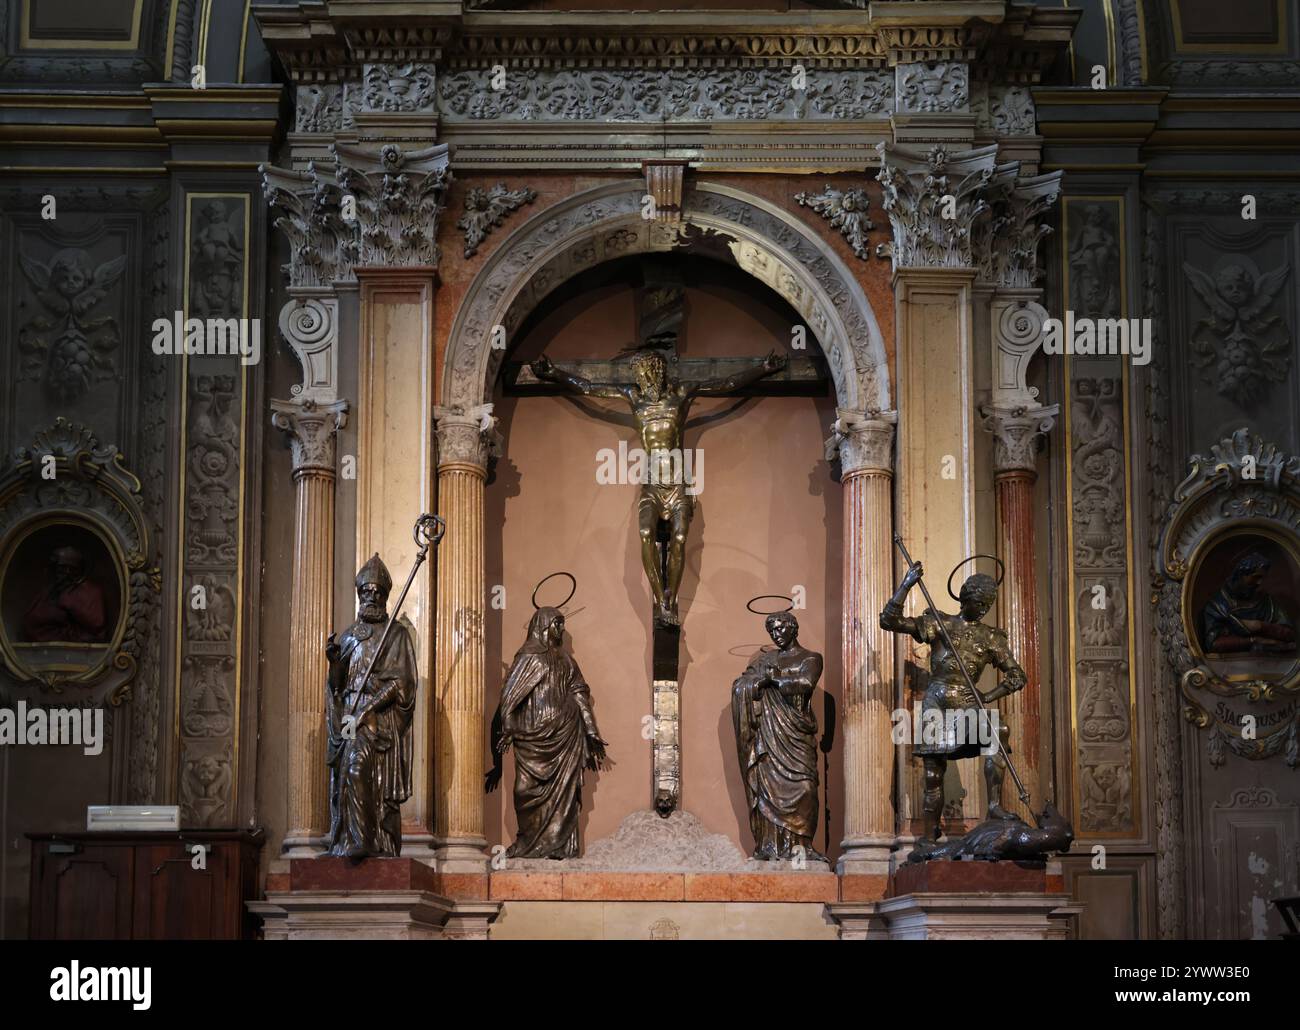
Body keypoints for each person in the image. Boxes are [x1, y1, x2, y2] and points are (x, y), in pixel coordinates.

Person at [531, 347, 785, 625]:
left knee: (678, 539)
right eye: (639, 374)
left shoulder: (680, 395)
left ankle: (669, 600)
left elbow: (726, 384)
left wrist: (763, 368)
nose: (644, 379)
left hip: (678, 481)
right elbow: (590, 387)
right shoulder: (633, 397)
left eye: (648, 372)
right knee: (644, 532)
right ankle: (661, 599)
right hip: (652, 482)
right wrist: (554, 373)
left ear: (659, 372)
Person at [880, 562, 1026, 857]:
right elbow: (889, 621)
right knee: (933, 774)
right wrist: (907, 584)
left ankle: (994, 806)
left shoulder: (990, 637)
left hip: (968, 702)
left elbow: (1017, 675)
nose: (983, 609)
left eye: (987, 604)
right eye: (978, 602)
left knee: (997, 732)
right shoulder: (940, 622)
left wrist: (988, 695)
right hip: (936, 701)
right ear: (964, 598)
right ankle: (930, 834)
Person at [489, 607, 607, 859]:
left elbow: (579, 692)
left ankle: (559, 846)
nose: (561, 629)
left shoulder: (566, 660)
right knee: (523, 790)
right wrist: (508, 727)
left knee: (565, 793)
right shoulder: (528, 656)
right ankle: (528, 842)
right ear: (543, 626)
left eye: (562, 624)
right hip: (532, 737)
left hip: (566, 735)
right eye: (557, 623)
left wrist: (591, 730)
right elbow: (509, 697)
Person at [324, 553, 417, 858]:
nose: (372, 596)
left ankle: (365, 840)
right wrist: (335, 662)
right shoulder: (351, 634)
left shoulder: (397, 635)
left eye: (378, 591)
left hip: (378, 721)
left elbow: (402, 684)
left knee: (357, 767)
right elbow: (337, 687)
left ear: (386, 595)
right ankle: (346, 839)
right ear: (360, 594)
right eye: (367, 591)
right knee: (343, 779)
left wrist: (370, 708)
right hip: (350, 715)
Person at [731, 611, 824, 862]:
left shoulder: (811, 658)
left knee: (806, 788)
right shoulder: (765, 660)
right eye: (772, 631)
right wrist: (755, 684)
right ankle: (770, 846)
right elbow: (741, 685)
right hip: (770, 739)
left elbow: (805, 683)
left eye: (781, 629)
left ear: (794, 629)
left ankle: (803, 847)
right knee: (767, 792)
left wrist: (772, 679)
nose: (777, 634)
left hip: (795, 736)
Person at [1199, 550, 1295, 655]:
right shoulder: (1218, 605)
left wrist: (1260, 626)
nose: (1259, 583)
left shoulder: (1267, 602)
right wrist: (1253, 641)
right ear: (1240, 575)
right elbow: (1214, 644)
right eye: (1256, 577)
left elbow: (1289, 634)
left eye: (1262, 578)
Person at [21, 545, 107, 643]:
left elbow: (96, 624)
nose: (67, 572)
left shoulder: (91, 590)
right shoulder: (49, 591)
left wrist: (70, 604)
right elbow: (30, 620)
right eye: (62, 567)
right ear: (55, 568)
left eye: (73, 569)